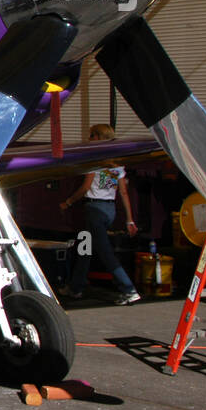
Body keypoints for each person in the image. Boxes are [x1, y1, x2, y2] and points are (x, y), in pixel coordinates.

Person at [59, 123, 141, 304]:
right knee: (85, 248)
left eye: (91, 136)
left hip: (94, 209)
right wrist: (129, 219)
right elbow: (124, 193)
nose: (89, 140)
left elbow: (86, 187)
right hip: (109, 209)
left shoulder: (95, 161)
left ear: (98, 137)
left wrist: (69, 202)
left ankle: (128, 289)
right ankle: (75, 287)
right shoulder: (116, 165)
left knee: (105, 252)